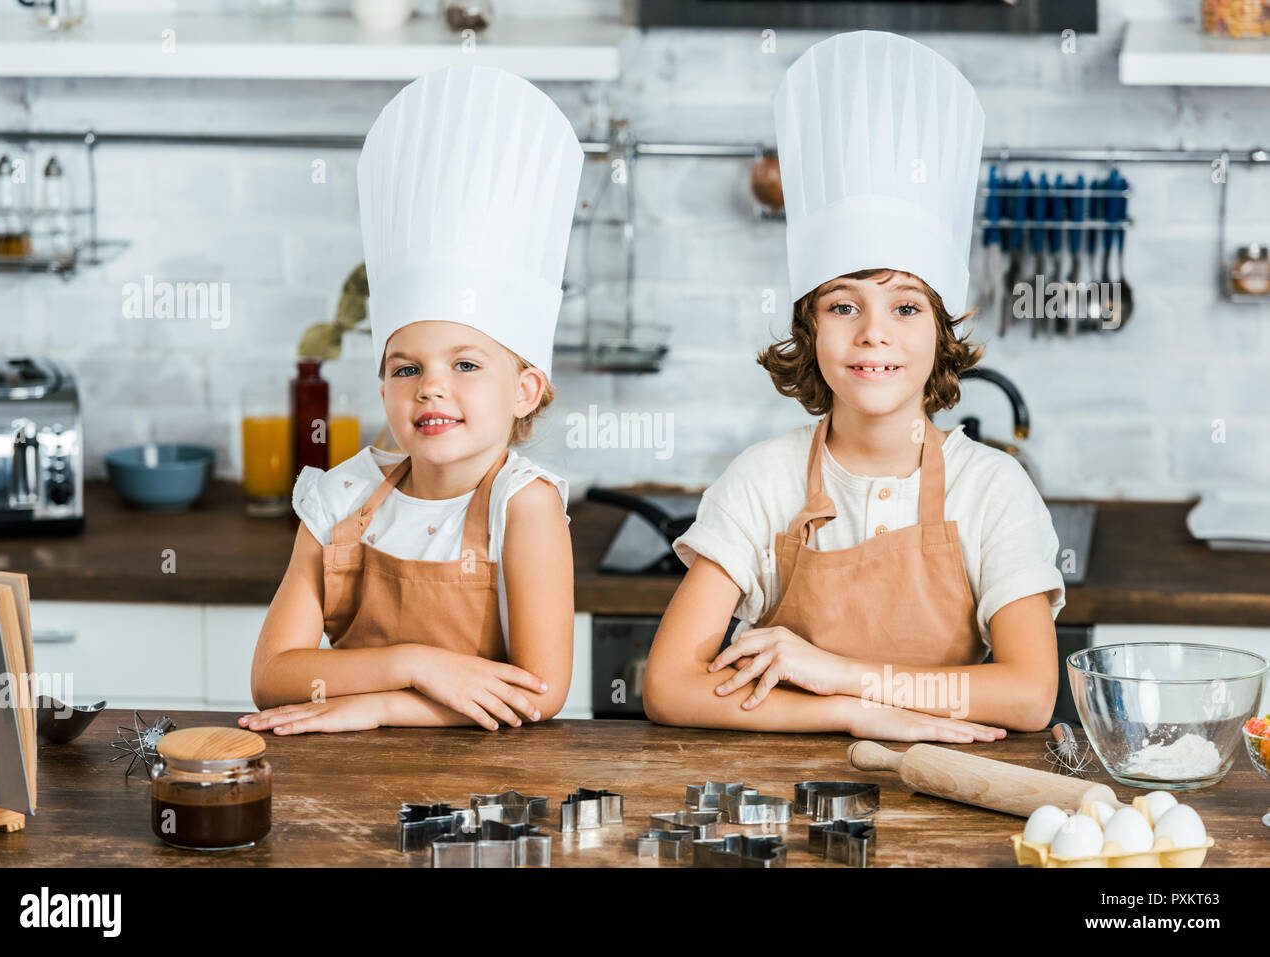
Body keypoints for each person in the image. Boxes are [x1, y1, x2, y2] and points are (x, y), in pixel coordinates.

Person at [644, 31, 1064, 740]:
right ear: (810, 327)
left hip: (948, 797)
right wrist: (851, 713)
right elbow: (668, 685)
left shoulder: (992, 489)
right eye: (843, 305)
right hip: (780, 806)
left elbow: (1027, 695)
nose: (874, 333)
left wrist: (839, 671)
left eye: (906, 307)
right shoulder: (764, 481)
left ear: (940, 333)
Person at [242, 64, 582, 735]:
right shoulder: (341, 497)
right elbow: (272, 675)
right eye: (406, 368)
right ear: (382, 387)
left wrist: (380, 703)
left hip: (486, 801)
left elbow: (538, 694)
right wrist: (422, 664)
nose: (430, 386)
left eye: (464, 363)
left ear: (524, 390)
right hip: (346, 785)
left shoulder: (526, 505)